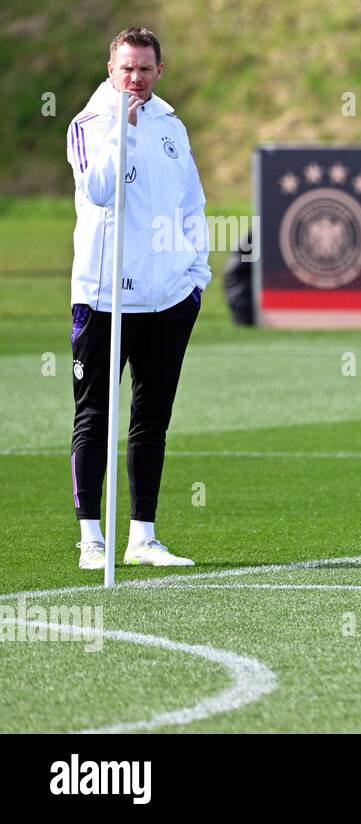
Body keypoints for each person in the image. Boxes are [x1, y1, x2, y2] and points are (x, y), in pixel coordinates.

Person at [67, 27, 209, 569]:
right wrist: (121, 132)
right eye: (126, 67)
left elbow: (191, 203)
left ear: (159, 71)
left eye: (145, 69)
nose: (135, 78)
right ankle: (91, 539)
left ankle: (143, 536)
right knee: (94, 417)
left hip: (168, 298)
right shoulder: (89, 125)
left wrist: (196, 274)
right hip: (104, 298)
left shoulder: (171, 125)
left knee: (152, 419)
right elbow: (100, 190)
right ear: (110, 68)